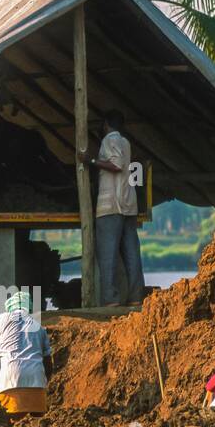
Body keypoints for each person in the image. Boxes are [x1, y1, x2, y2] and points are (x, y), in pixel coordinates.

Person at [88, 109, 144, 305]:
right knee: (131, 253)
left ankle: (110, 298)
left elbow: (117, 164)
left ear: (106, 124)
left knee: (107, 255)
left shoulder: (109, 140)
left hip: (110, 205)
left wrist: (91, 161)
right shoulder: (126, 142)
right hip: (128, 205)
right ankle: (136, 297)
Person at [0, 289, 53, 420]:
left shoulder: (1, 319)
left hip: (9, 380)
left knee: (8, 424)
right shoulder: (38, 325)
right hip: (36, 379)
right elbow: (48, 361)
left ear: (10, 307)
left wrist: (0, 365)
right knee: (39, 426)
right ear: (29, 308)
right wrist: (43, 381)